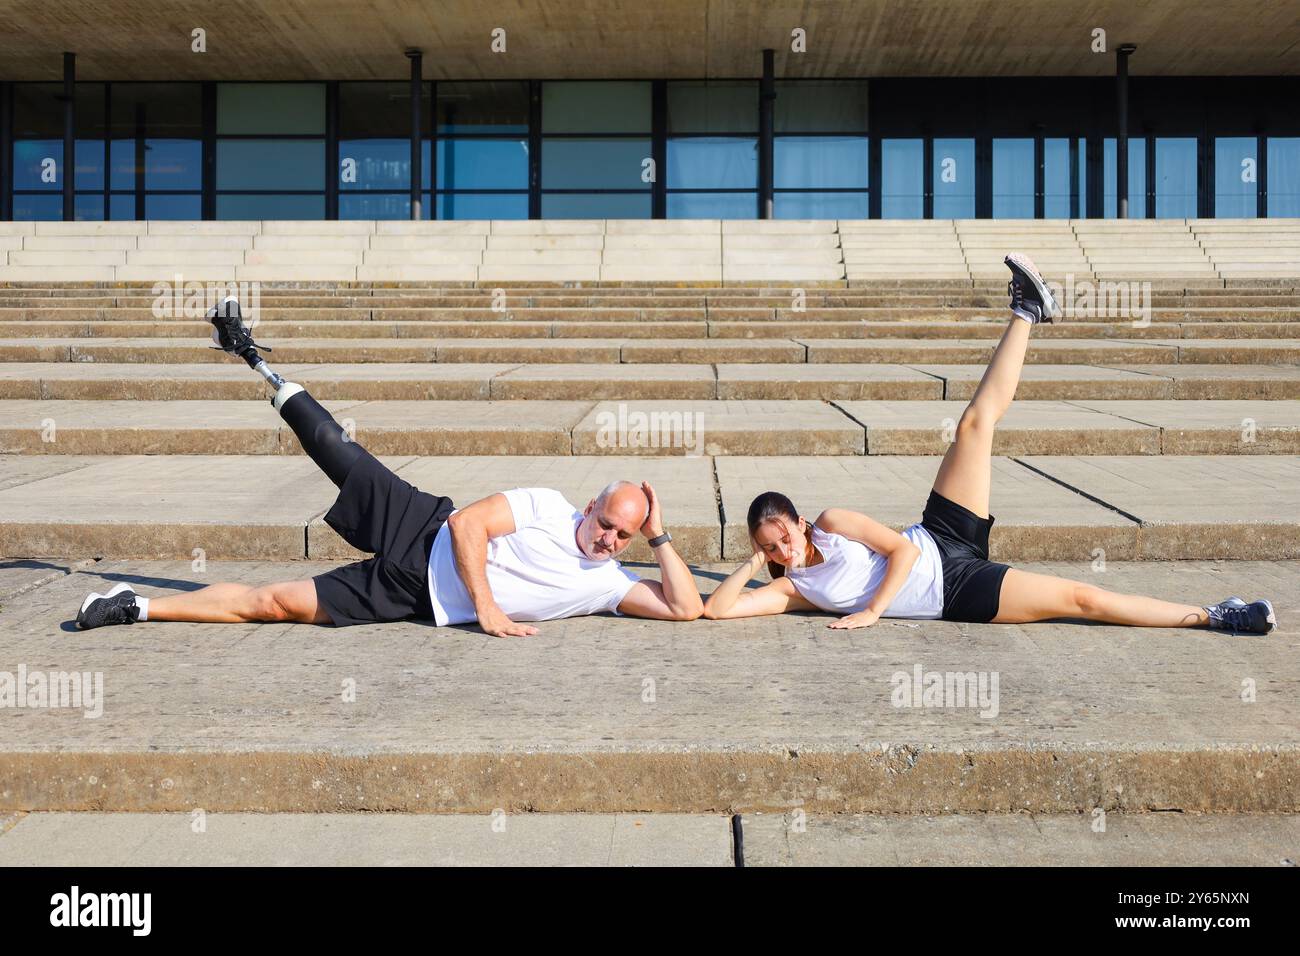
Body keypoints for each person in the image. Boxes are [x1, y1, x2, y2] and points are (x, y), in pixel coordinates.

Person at [702, 254, 1276, 636]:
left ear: (799, 521)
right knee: (1080, 599)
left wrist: (873, 611)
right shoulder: (798, 592)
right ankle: (1214, 616)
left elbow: (900, 552)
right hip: (956, 590)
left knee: (974, 424)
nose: (783, 550)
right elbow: (717, 608)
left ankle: (1027, 309)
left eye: (782, 535)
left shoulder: (830, 521)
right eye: (770, 548)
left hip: (937, 536)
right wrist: (757, 562)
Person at [76, 299, 703, 634]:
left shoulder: (609, 582)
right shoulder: (546, 505)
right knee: (333, 445)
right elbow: (467, 528)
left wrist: (660, 535)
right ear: (591, 506)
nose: (609, 539)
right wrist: (486, 610)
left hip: (409, 596)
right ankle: (248, 354)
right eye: (609, 523)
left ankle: (134, 606)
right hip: (421, 527)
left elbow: (686, 610)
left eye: (624, 535)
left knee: (274, 605)